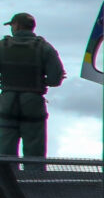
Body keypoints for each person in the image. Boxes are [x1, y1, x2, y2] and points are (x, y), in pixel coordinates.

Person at [0, 12, 66, 160]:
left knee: (5, 151)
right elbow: (55, 79)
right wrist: (41, 81)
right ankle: (34, 181)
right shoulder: (44, 48)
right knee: (34, 151)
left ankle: (5, 182)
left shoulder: (2, 46)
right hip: (33, 102)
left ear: (16, 25)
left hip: (7, 102)